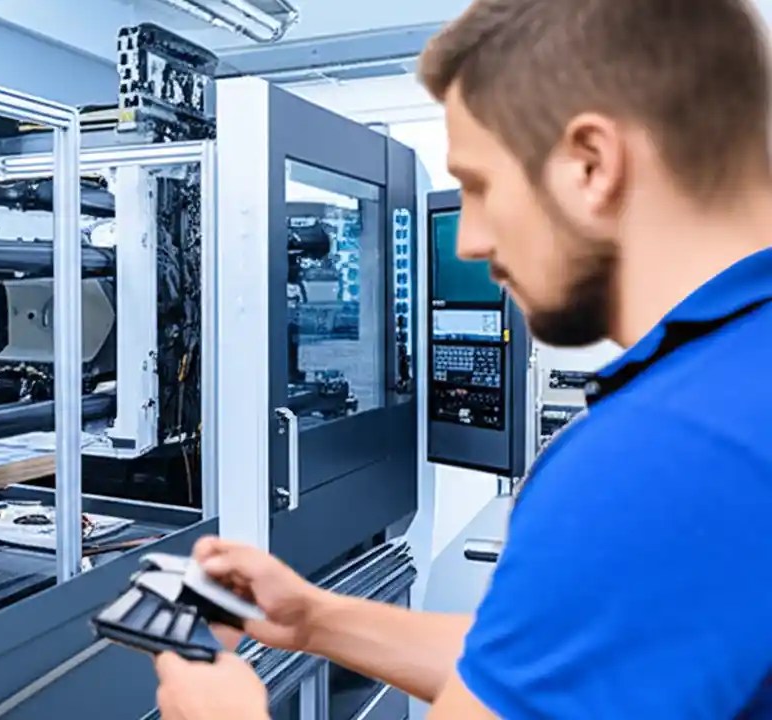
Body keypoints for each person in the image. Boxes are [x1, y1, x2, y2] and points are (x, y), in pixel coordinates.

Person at [154, 0, 772, 717]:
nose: (472, 240)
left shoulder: (659, 453)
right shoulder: (736, 380)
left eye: (478, 185)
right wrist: (315, 619)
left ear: (591, 164)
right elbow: (554, 661)